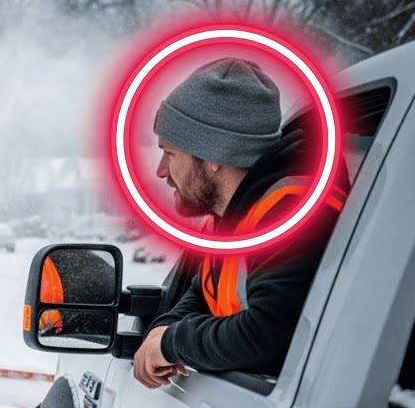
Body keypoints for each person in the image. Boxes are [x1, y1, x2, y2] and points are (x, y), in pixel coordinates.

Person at [133, 57, 349, 389]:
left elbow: (266, 336)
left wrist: (171, 342)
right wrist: (165, 328)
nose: (161, 171)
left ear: (215, 155)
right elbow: (203, 293)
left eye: (171, 153)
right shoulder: (232, 219)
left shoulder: (292, 211)